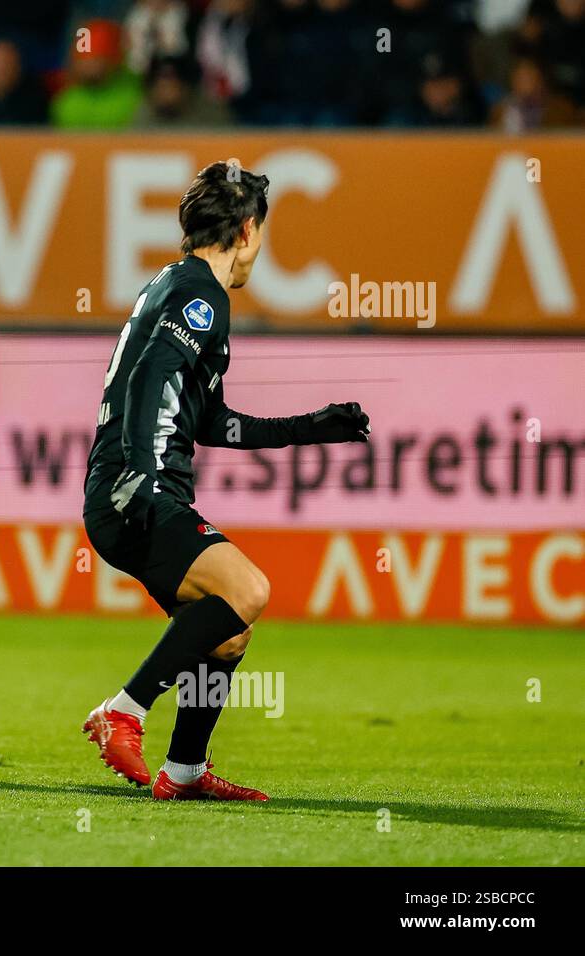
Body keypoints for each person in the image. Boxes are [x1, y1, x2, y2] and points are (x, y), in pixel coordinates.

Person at [81, 161, 371, 800]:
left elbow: (211, 421)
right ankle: (123, 712)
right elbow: (148, 374)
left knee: (228, 628)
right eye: (261, 234)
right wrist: (138, 467)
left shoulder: (174, 284)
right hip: (134, 489)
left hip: (127, 490)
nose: (259, 249)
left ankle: (184, 771)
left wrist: (309, 426)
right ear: (246, 230)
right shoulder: (201, 296)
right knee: (250, 587)